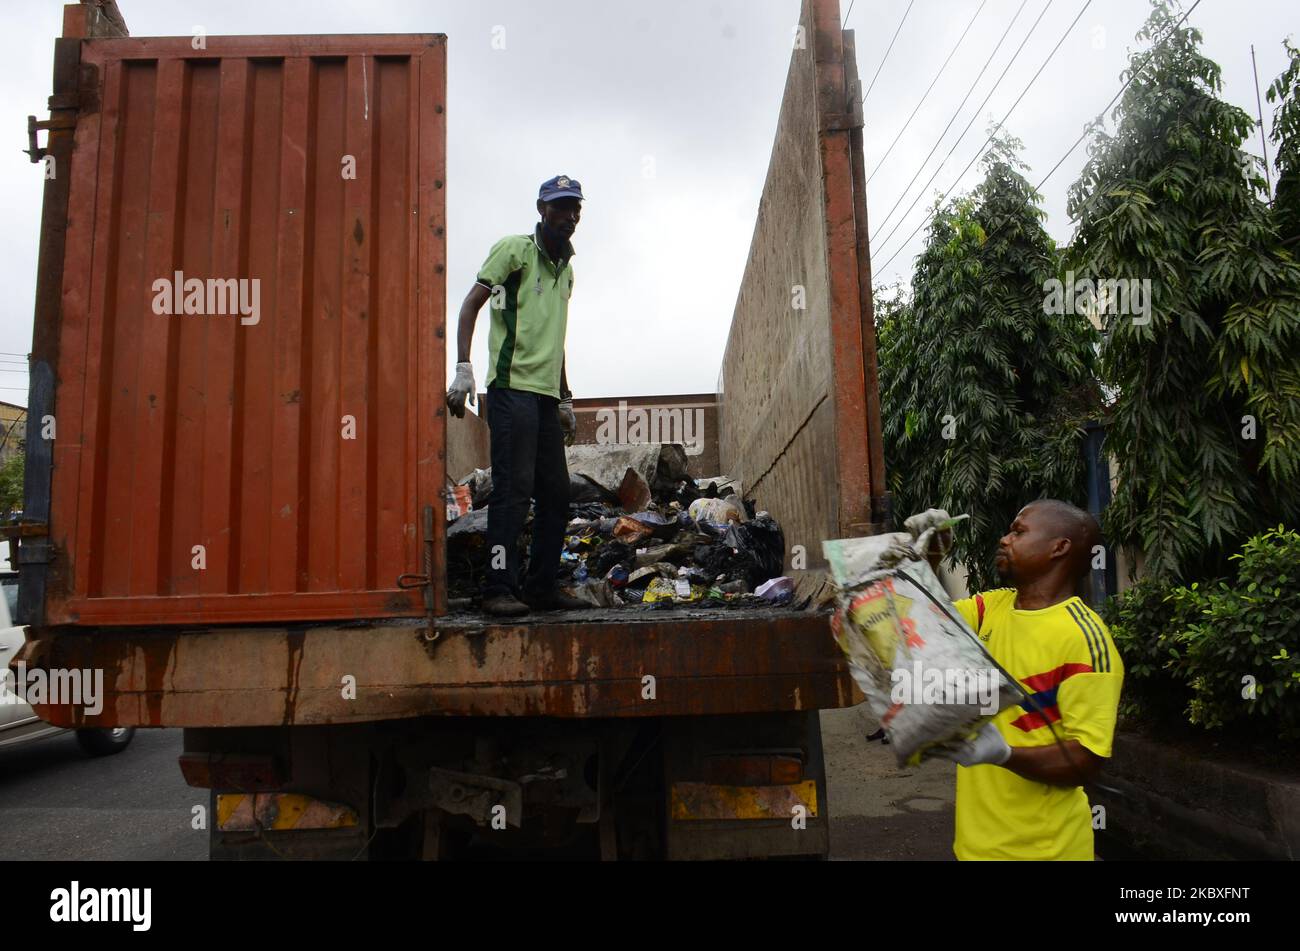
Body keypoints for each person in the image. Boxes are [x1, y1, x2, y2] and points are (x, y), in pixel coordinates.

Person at [929, 500, 1124, 860]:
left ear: (1059, 547)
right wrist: (926, 557)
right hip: (974, 850)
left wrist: (1004, 755)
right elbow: (916, 623)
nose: (1004, 539)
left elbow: (1086, 761)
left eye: (1018, 531)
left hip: (1045, 852)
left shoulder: (1084, 640)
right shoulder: (991, 610)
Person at [446, 175, 589, 617]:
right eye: (560, 207)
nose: (568, 216)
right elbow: (472, 302)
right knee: (513, 492)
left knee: (557, 494)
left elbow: (557, 338)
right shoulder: (515, 251)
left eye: (574, 209)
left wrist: (564, 396)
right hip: (511, 391)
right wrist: (464, 366)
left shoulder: (566, 271)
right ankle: (497, 587)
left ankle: (541, 586)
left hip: (545, 398)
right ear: (541, 209)